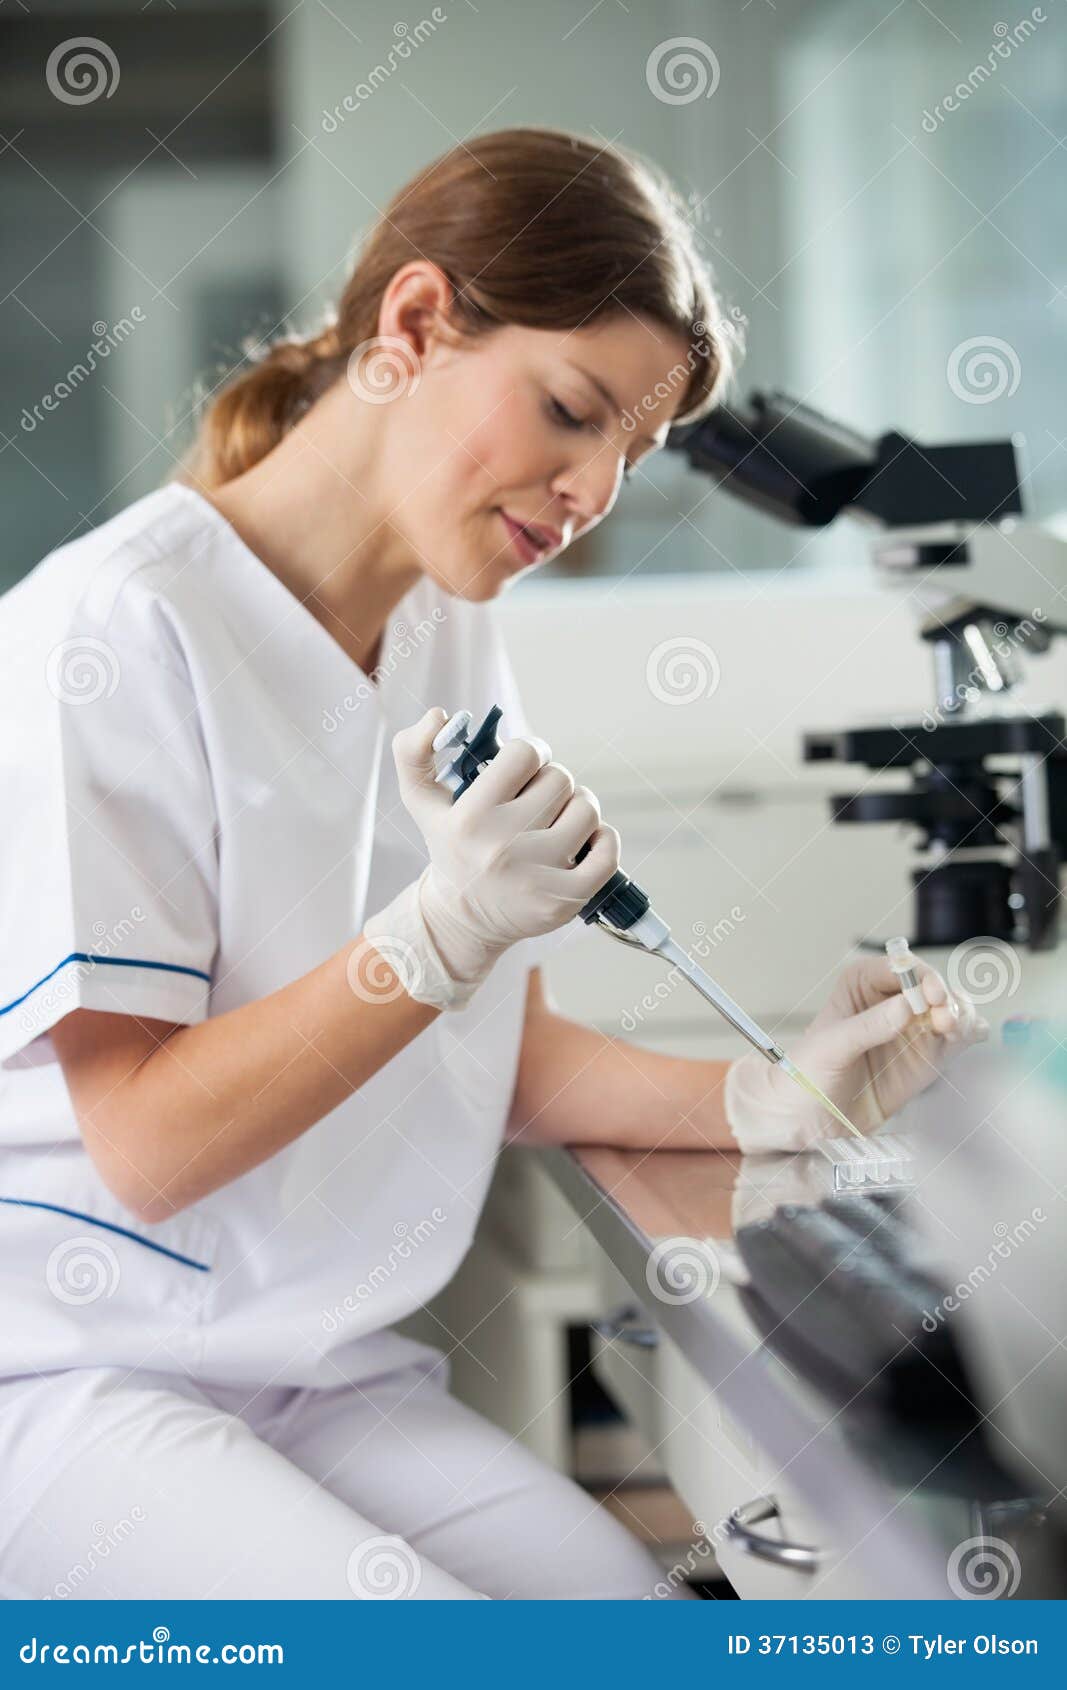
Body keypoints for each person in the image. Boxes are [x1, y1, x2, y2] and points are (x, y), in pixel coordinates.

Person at [0, 128, 982, 1601]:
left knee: (631, 1622)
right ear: (412, 324)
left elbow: (482, 1049)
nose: (589, 491)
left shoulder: (452, 631)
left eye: (626, 455)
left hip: (317, 1373)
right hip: (80, 1380)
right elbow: (149, 1145)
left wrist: (769, 1096)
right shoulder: (113, 632)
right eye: (571, 410)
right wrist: (438, 931)